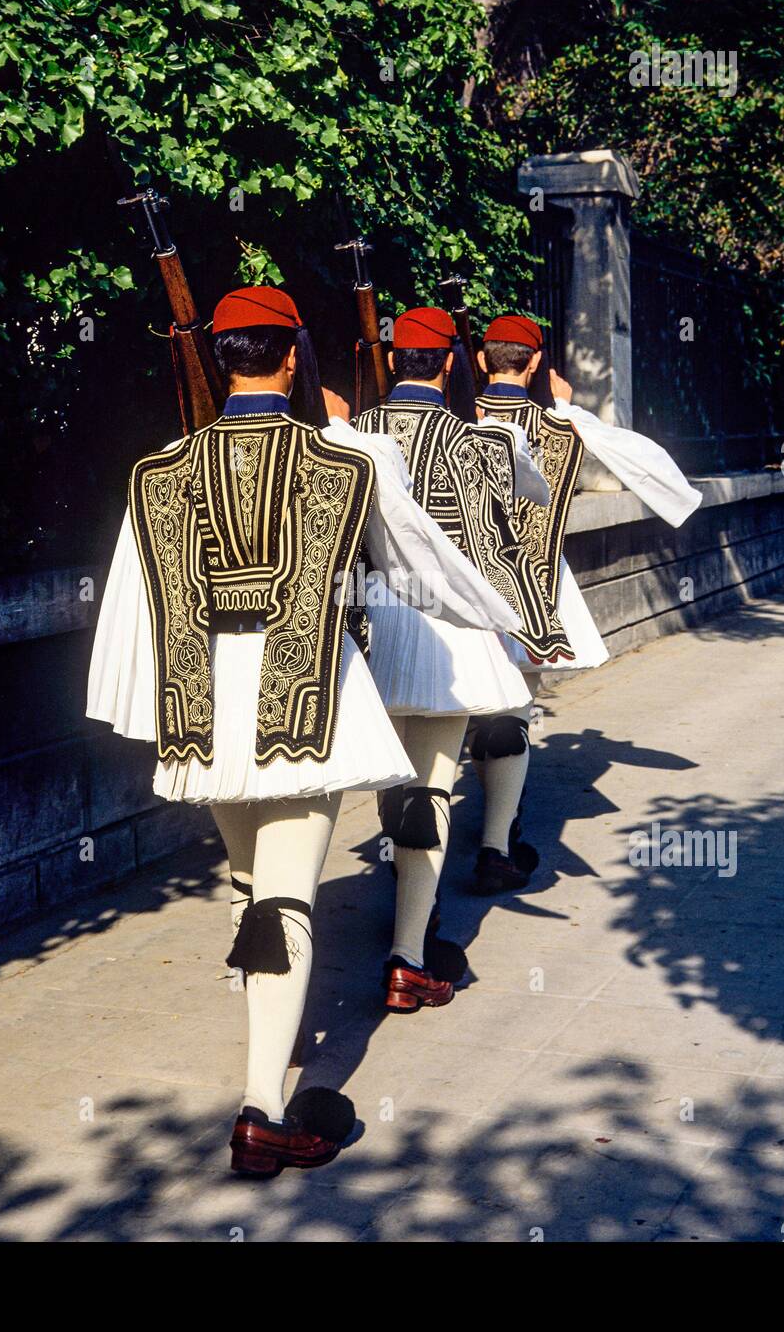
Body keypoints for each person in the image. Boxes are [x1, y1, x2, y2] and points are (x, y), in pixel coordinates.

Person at [86, 287, 518, 1177]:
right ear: (291, 356)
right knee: (287, 896)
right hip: (306, 703)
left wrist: (155, 718)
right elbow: (424, 567)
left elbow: (136, 607)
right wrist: (505, 618)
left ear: (220, 358)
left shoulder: (156, 469)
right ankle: (261, 1111)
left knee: (252, 887)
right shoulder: (343, 462)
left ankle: (268, 1047)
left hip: (202, 711)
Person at [354, 306, 553, 1010]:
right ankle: (408, 951)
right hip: (444, 627)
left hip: (372, 617)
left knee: (394, 775)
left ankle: (415, 902)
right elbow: (502, 545)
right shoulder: (481, 443)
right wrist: (526, 624)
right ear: (447, 363)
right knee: (432, 788)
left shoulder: (348, 436)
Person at [468, 313, 703, 893]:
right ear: (537, 364)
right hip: (533, 588)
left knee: (458, 719)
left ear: (478, 360)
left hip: (457, 588)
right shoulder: (561, 427)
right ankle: (496, 842)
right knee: (513, 712)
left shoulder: (456, 421)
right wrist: (560, 404)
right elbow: (635, 458)